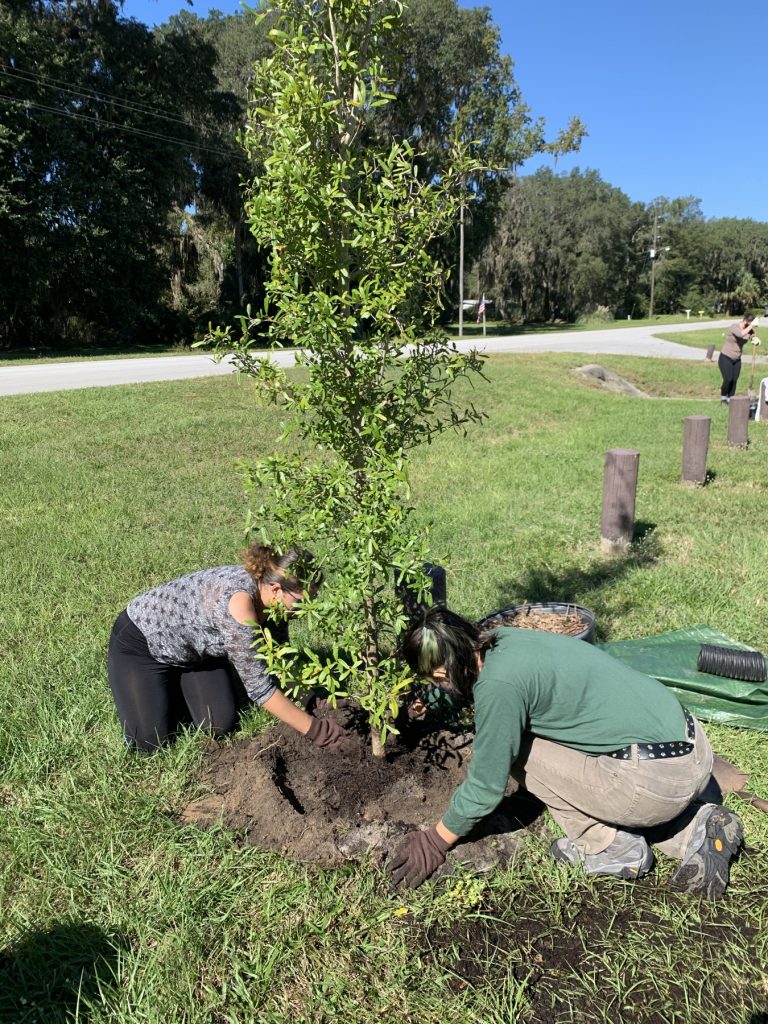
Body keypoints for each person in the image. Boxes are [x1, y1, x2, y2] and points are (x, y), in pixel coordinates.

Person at [388, 607, 743, 899]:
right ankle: (698, 828)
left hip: (653, 780)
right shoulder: (505, 640)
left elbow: (485, 786)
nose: (437, 687)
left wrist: (434, 841)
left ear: (448, 668)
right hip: (690, 747)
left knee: (514, 750)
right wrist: (432, 704)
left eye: (437, 681)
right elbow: (474, 682)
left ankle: (610, 848)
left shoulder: (499, 687)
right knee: (535, 737)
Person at [108, 543, 349, 753]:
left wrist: (309, 699)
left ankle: (172, 683)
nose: (307, 609)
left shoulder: (276, 605)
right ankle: (161, 686)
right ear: (276, 590)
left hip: (198, 653)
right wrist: (318, 732)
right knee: (149, 743)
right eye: (302, 602)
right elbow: (259, 689)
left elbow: (276, 661)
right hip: (142, 644)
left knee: (218, 724)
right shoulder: (238, 602)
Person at [719, 313, 760, 403]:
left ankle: (731, 399)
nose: (750, 325)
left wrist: (756, 341)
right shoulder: (734, 327)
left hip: (737, 359)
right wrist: (752, 325)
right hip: (725, 357)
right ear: (745, 320)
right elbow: (741, 334)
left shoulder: (750, 330)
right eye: (749, 323)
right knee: (728, 379)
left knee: (734, 380)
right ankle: (723, 397)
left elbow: (753, 336)